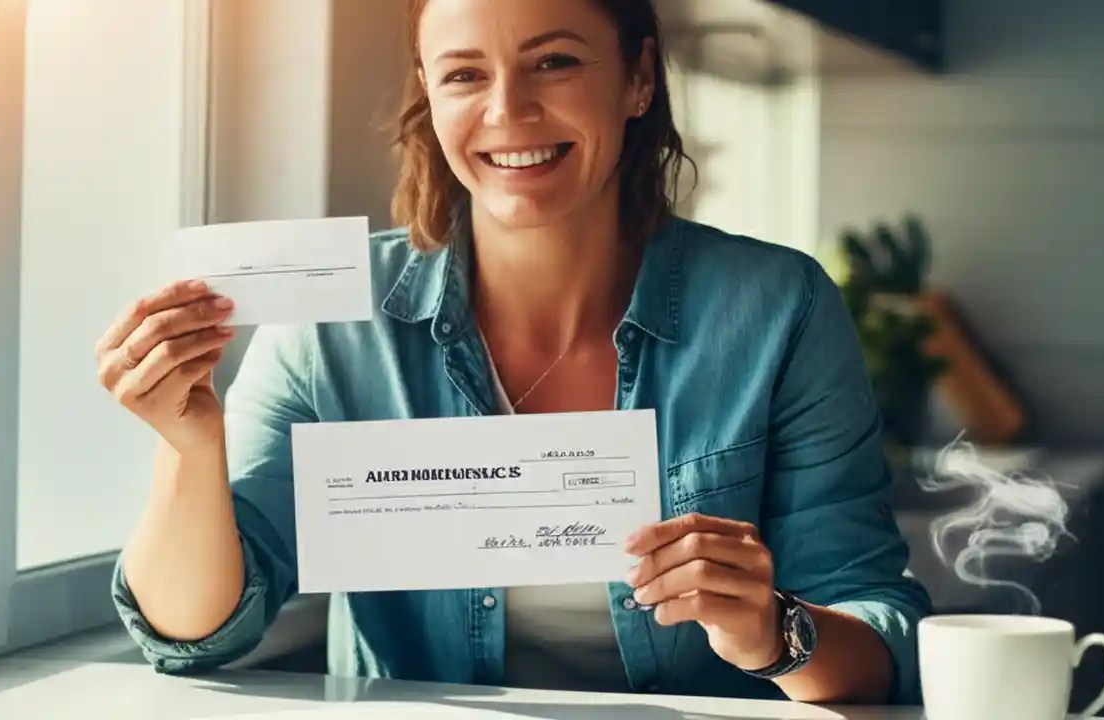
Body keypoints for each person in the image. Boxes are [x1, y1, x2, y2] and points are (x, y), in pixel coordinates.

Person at [98, 0, 932, 705]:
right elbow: (195, 634)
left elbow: (883, 637)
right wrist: (188, 443)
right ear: (429, 93)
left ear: (638, 78)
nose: (509, 110)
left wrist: (771, 632)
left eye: (555, 62)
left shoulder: (779, 309)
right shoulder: (332, 325)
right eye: (464, 74)